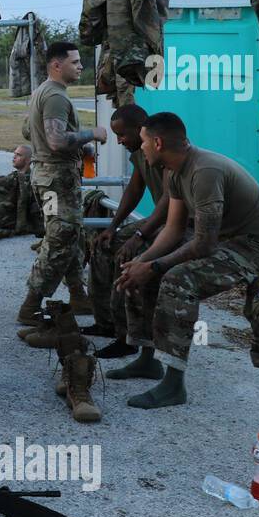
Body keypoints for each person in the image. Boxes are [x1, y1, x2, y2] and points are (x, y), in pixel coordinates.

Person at [114, 112, 259, 409]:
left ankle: (173, 384)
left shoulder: (204, 172)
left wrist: (155, 266)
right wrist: (143, 262)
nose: (140, 148)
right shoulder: (176, 169)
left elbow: (204, 243)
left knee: (178, 279)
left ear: (157, 142)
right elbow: (174, 229)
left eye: (142, 142)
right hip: (228, 242)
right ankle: (147, 359)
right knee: (138, 270)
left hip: (257, 246)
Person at [17, 41, 107, 325]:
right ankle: (30, 305)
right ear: (57, 65)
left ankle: (79, 294)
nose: (80, 66)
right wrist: (92, 133)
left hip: (54, 175)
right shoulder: (55, 96)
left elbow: (28, 131)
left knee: (73, 236)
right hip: (56, 179)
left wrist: (79, 147)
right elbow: (55, 140)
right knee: (59, 240)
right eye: (75, 62)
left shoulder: (42, 92)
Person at [84, 104, 166, 342]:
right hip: (157, 220)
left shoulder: (162, 151)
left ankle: (127, 335)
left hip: (175, 222)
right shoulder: (140, 152)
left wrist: (137, 237)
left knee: (125, 256)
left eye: (122, 134)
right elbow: (135, 188)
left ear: (140, 129)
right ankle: (105, 322)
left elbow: (171, 204)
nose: (119, 140)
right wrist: (112, 227)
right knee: (102, 246)